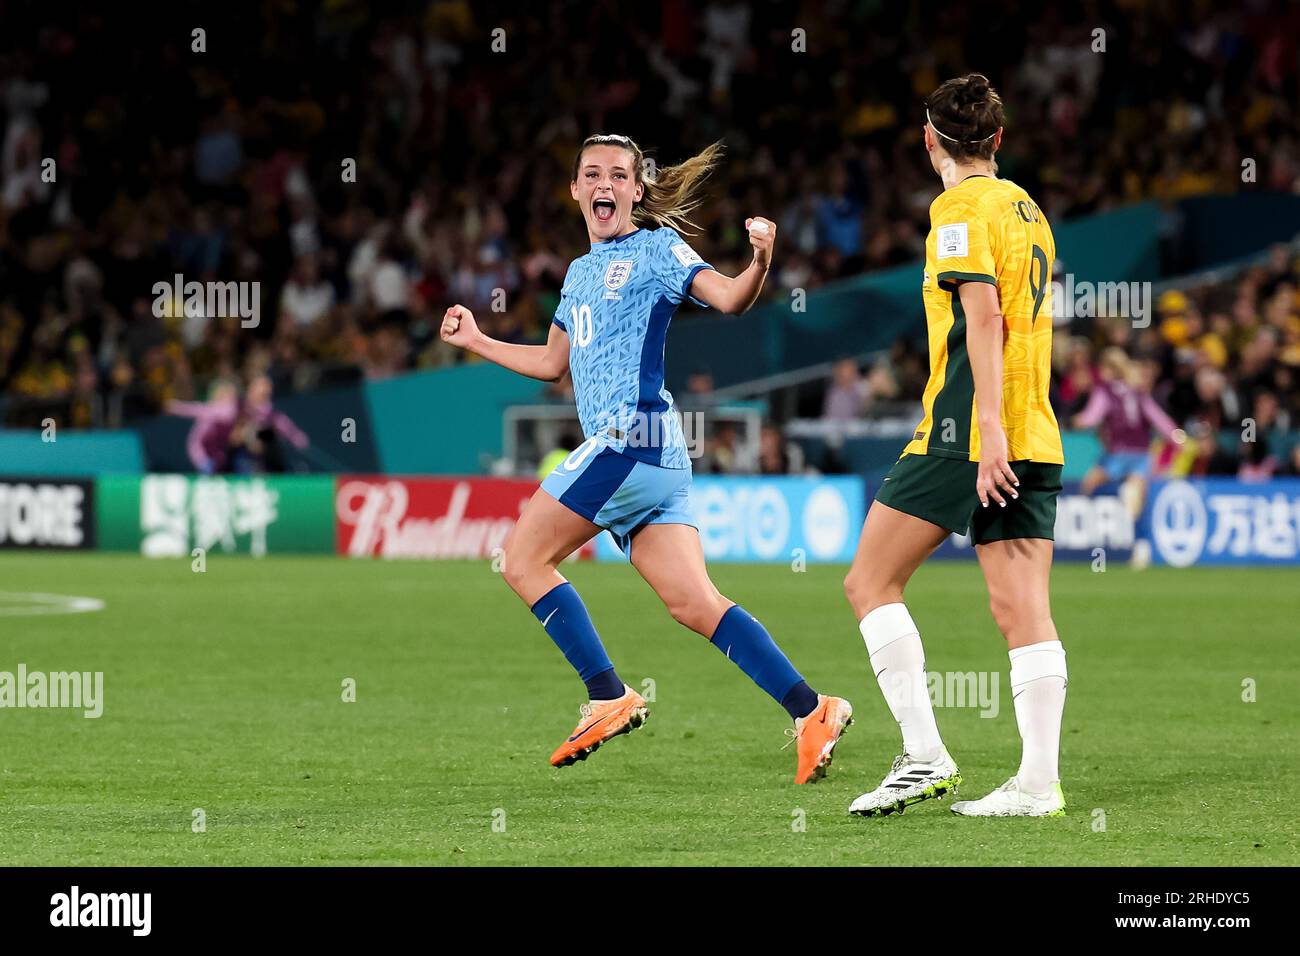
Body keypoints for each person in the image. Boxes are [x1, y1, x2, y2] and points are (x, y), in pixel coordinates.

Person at [439, 133, 851, 783]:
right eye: (591, 174)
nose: (604, 184)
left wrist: (760, 261)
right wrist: (478, 340)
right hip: (651, 460)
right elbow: (552, 365)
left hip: (631, 441)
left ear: (635, 190)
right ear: (575, 190)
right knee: (695, 604)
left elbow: (730, 299)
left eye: (618, 175)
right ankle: (813, 709)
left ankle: (607, 694)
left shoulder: (657, 250)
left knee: (522, 559)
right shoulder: (577, 275)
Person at [843, 75, 1069, 817]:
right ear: (998, 140)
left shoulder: (958, 210)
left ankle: (924, 756)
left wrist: (988, 436)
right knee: (1021, 609)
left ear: (929, 138)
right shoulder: (1027, 210)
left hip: (969, 431)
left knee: (869, 582)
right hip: (1035, 426)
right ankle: (1037, 785)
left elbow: (983, 320)